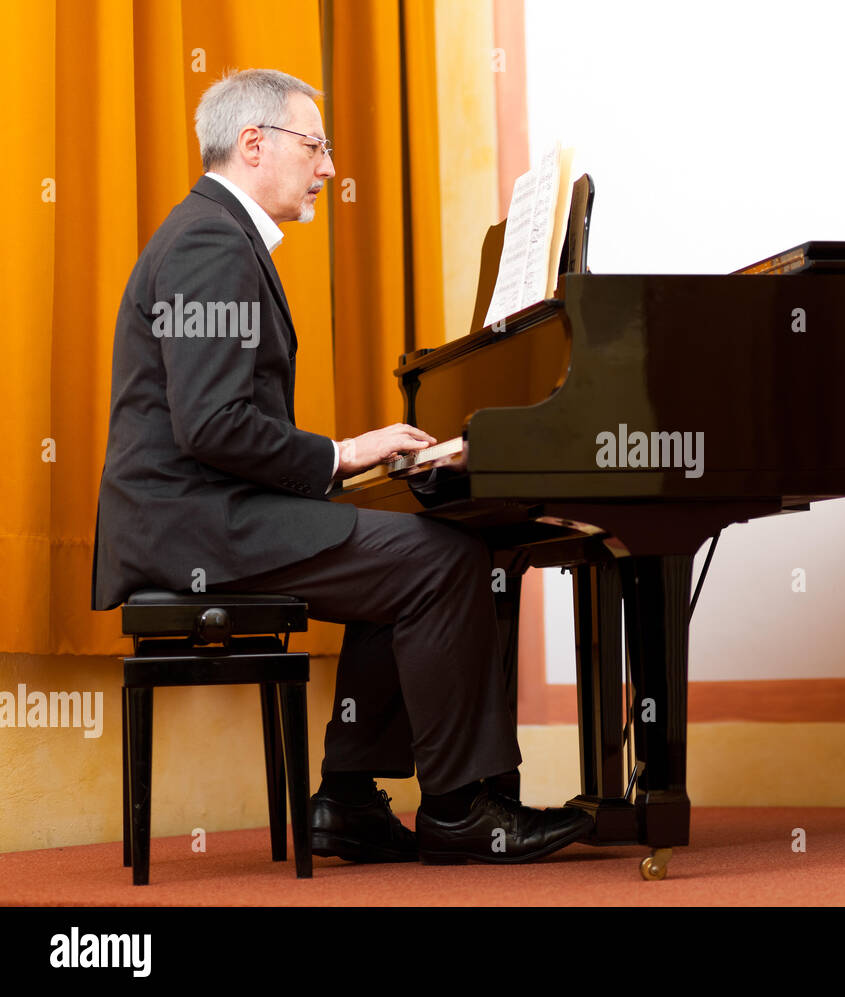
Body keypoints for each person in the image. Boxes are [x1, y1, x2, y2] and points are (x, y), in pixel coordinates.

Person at [92, 68, 590, 865]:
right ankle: (464, 808)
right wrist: (342, 453)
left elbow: (218, 422)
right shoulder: (212, 242)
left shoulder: (211, 234)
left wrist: (341, 465)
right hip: (190, 528)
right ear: (254, 145)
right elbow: (213, 423)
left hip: (198, 514)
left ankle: (348, 802)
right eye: (315, 145)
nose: (327, 168)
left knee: (398, 558)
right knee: (443, 558)